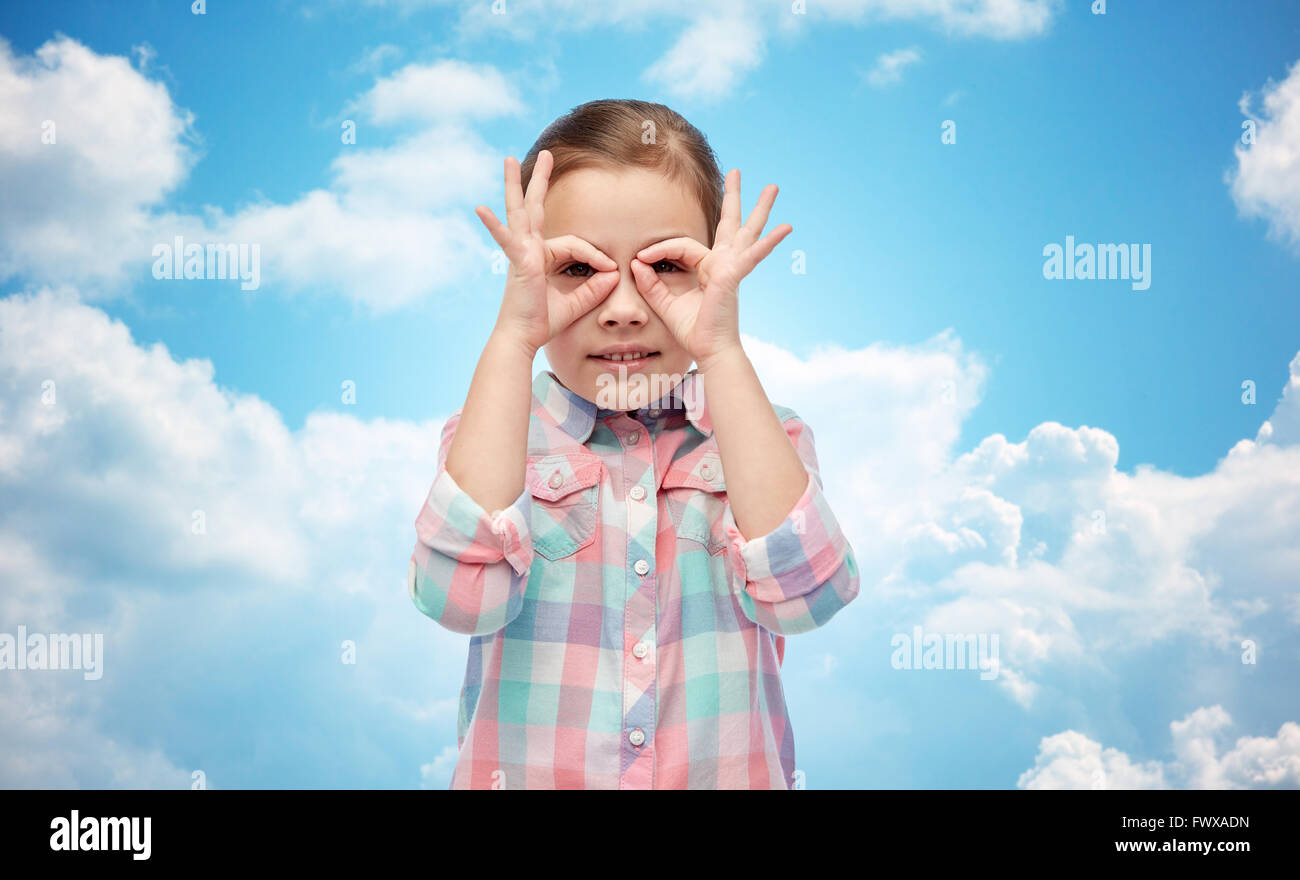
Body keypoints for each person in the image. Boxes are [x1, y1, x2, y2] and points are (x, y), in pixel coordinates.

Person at [408, 99, 860, 789]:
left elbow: (808, 597)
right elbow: (458, 600)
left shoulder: (770, 435)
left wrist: (721, 351)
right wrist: (512, 337)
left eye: (668, 266)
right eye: (577, 270)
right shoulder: (492, 438)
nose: (622, 308)